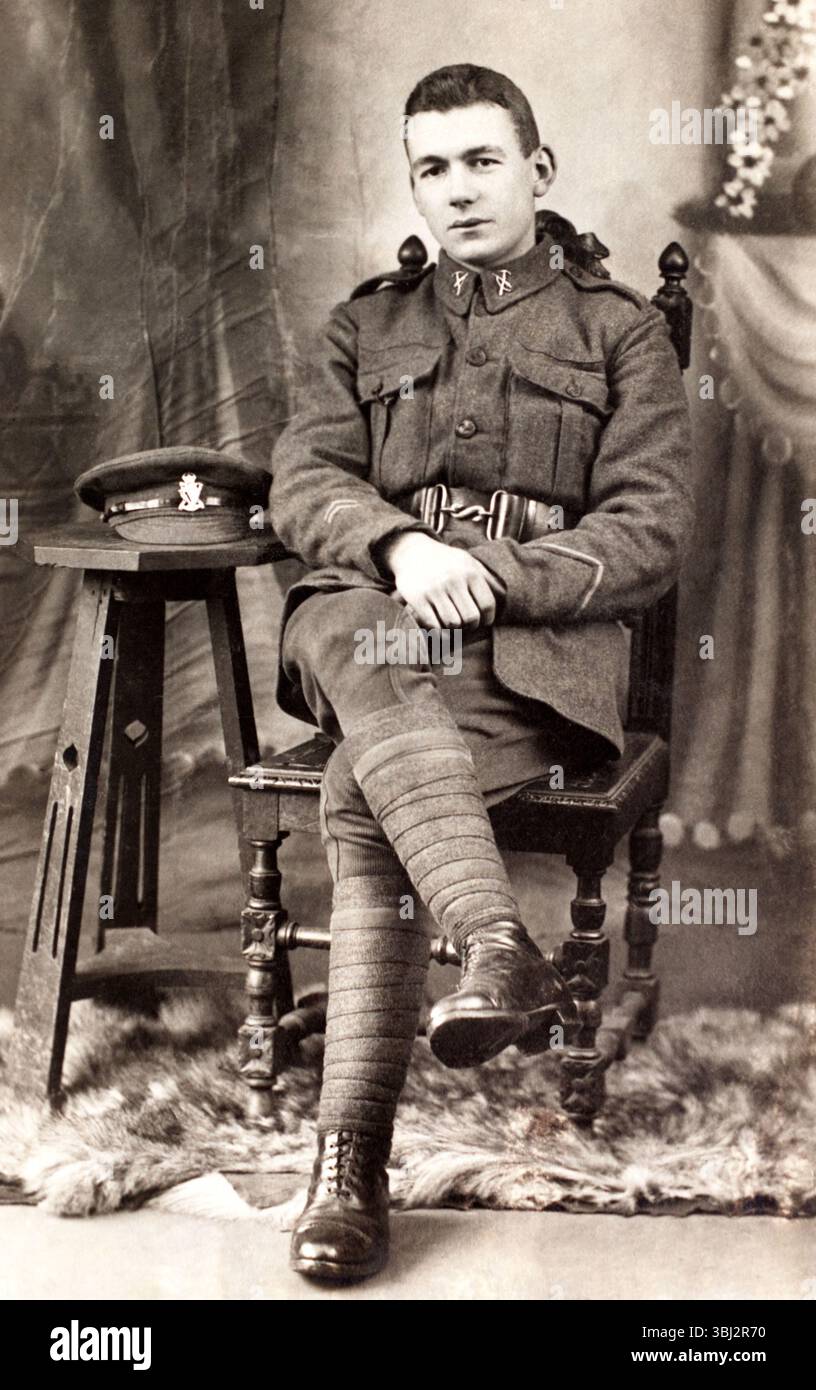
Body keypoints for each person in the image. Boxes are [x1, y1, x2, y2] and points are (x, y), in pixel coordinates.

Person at [268, 63, 693, 1283]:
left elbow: (650, 529)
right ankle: (495, 941)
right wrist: (400, 545)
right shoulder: (369, 322)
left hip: (530, 661)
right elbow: (304, 482)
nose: (457, 190)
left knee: (361, 792)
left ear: (538, 171)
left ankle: (346, 1162)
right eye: (433, 168)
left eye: (482, 161)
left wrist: (496, 574)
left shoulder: (621, 333)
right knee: (349, 626)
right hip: (373, 624)